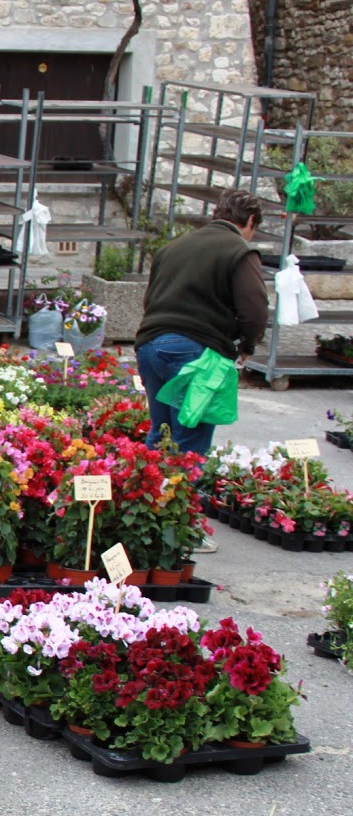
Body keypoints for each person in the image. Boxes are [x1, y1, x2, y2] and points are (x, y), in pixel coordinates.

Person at [134, 188, 269, 551]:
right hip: (196, 353)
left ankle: (136, 517)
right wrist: (245, 347)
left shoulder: (174, 246)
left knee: (159, 435)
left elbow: (151, 299)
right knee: (189, 442)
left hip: (150, 344)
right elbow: (255, 309)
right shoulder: (239, 250)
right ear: (250, 221)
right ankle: (179, 530)